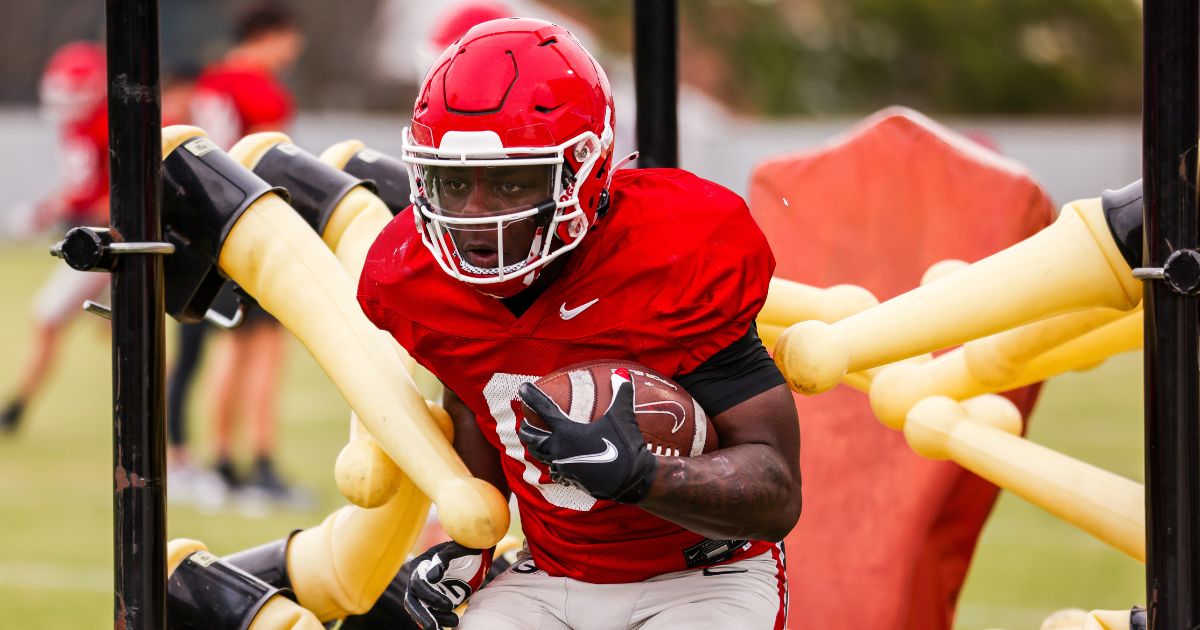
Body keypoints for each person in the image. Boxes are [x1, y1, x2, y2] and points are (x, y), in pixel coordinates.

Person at [357, 18, 802, 630]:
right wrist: (470, 546)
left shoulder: (675, 252)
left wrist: (648, 475)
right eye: (453, 183)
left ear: (585, 168)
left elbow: (776, 488)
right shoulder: (412, 278)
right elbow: (472, 396)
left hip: (703, 575)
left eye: (512, 182)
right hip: (549, 574)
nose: (475, 218)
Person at [174, 1, 309, 508]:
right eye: (289, 38)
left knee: (228, 347)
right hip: (253, 227)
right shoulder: (259, 88)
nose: (292, 49)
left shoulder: (211, 81)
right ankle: (261, 460)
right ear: (268, 35)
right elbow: (271, 164)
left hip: (211, 225)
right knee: (264, 350)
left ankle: (225, 459)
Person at [1, 41, 110, 433]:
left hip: (106, 243)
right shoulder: (82, 124)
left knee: (49, 319)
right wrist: (45, 211)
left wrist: (55, 215)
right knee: (125, 332)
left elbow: (114, 197)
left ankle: (15, 409)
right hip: (103, 238)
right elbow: (78, 188)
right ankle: (16, 407)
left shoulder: (107, 123)